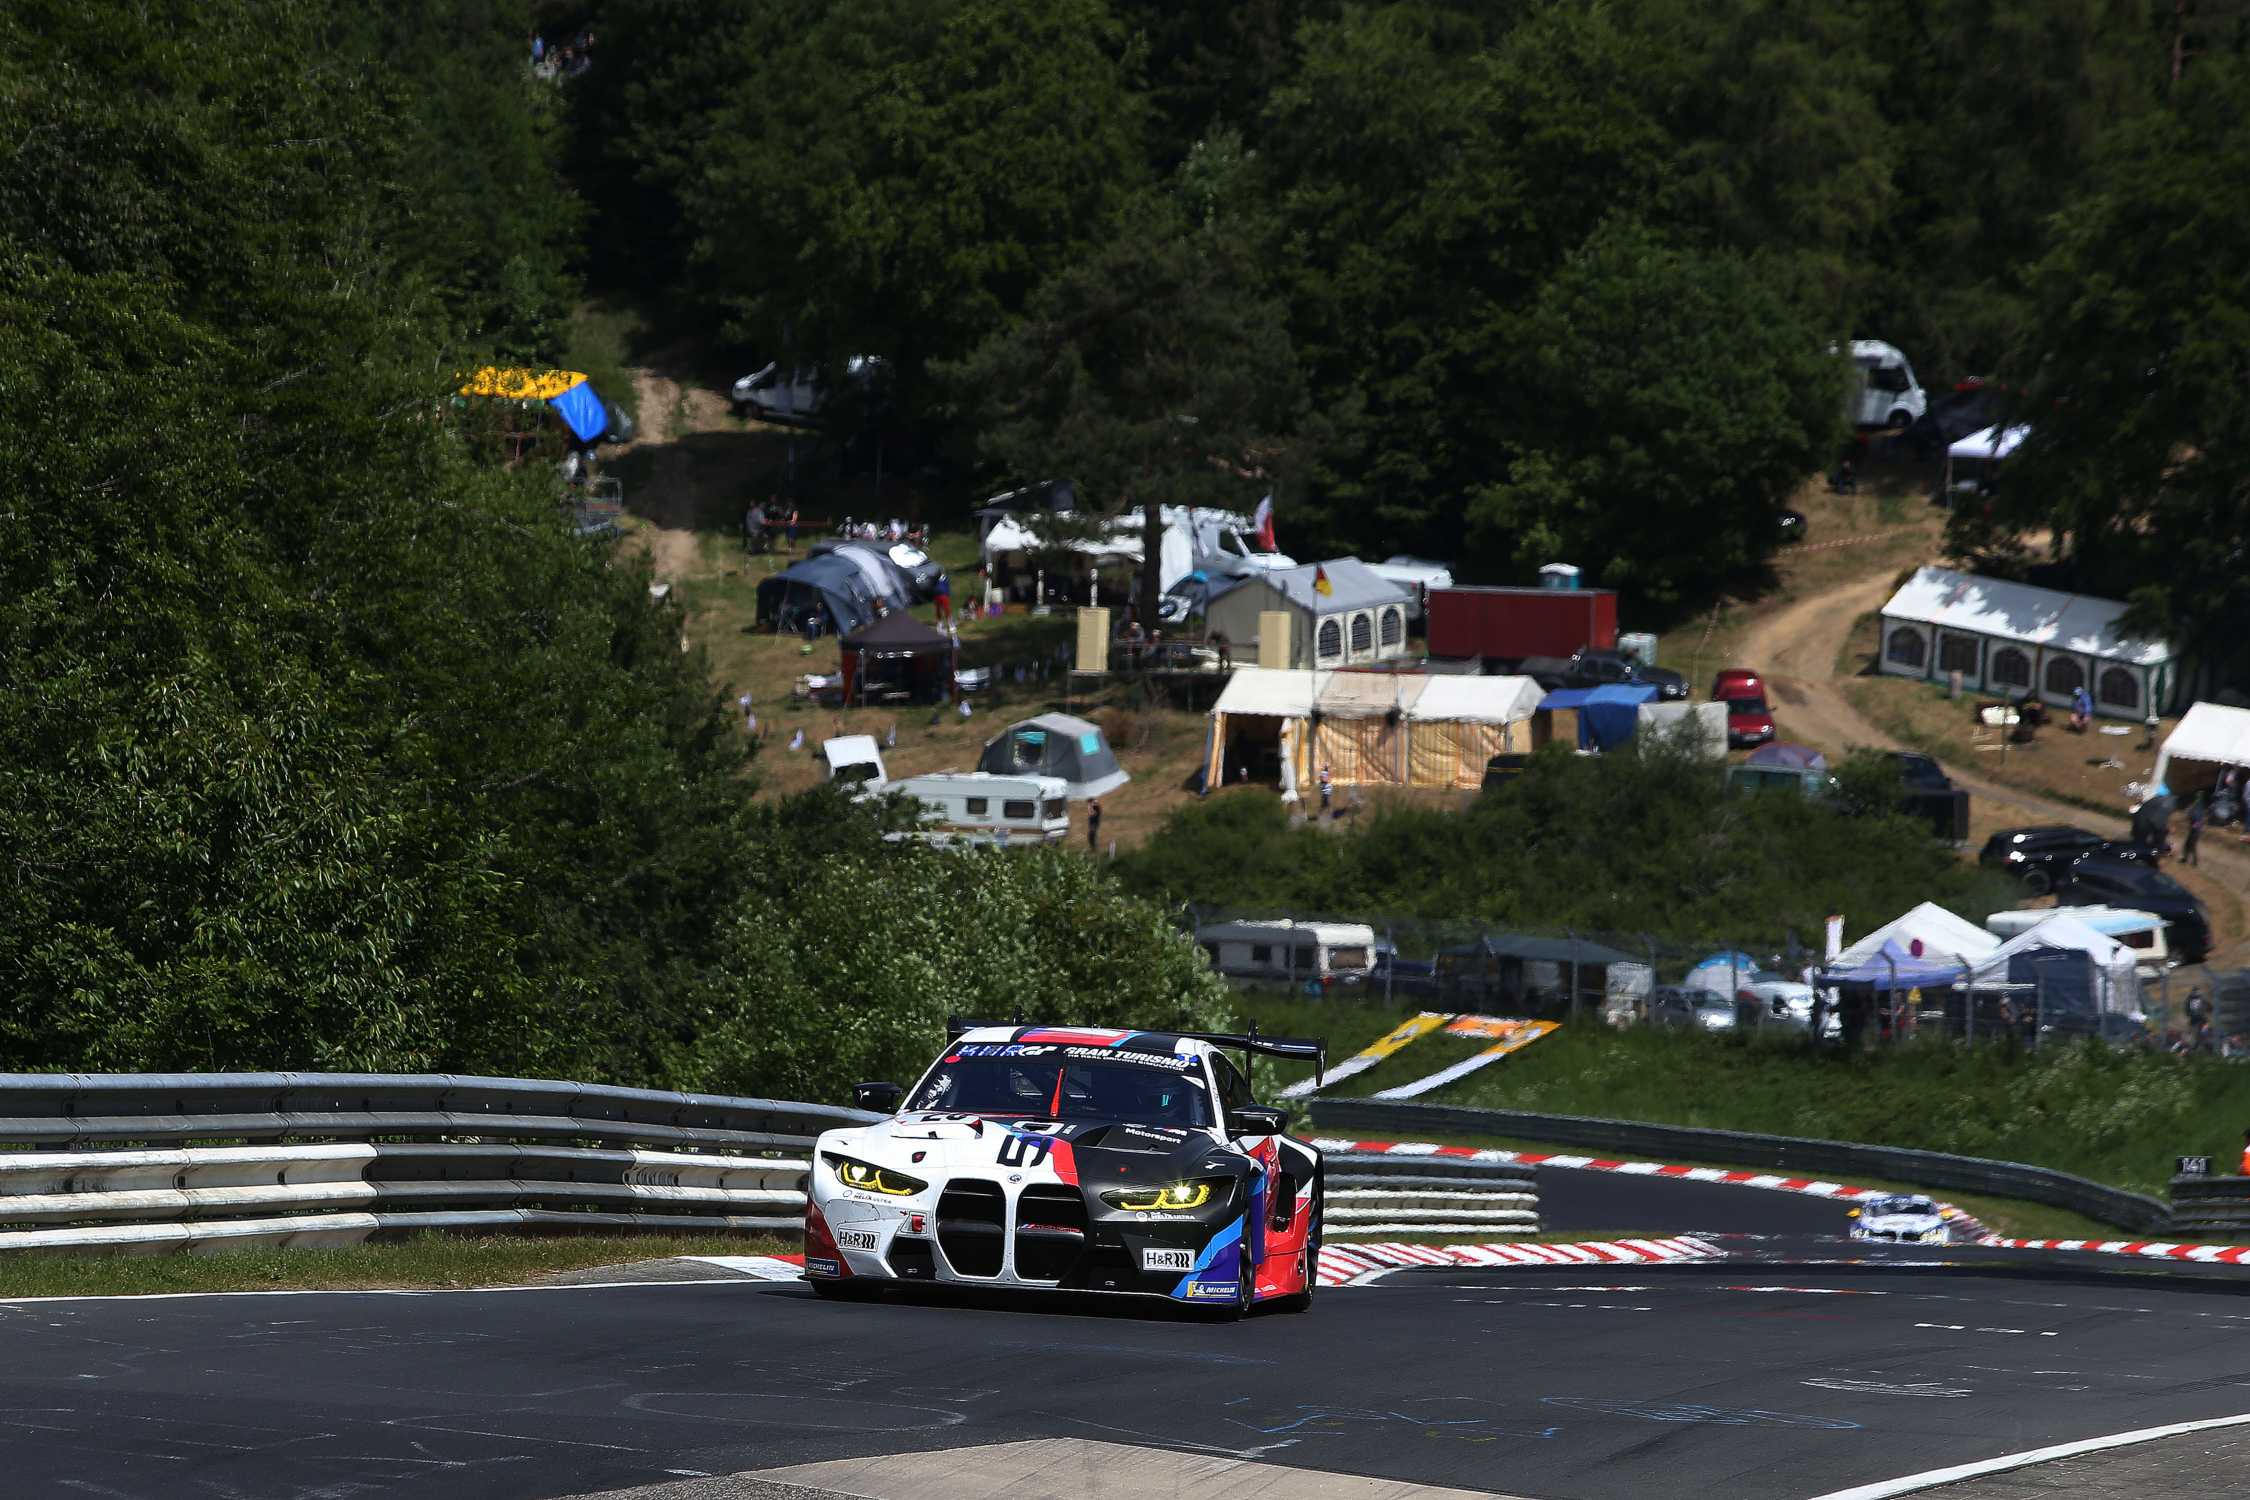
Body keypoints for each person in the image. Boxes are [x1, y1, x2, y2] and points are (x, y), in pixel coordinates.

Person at [2183, 794, 2206, 866]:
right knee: (2187, 845)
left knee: (2192, 845)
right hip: (2194, 830)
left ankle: (2194, 862)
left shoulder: (2197, 808)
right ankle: (2186, 859)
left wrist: (2189, 812)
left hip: (2196, 830)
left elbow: (2198, 820)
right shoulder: (2197, 807)